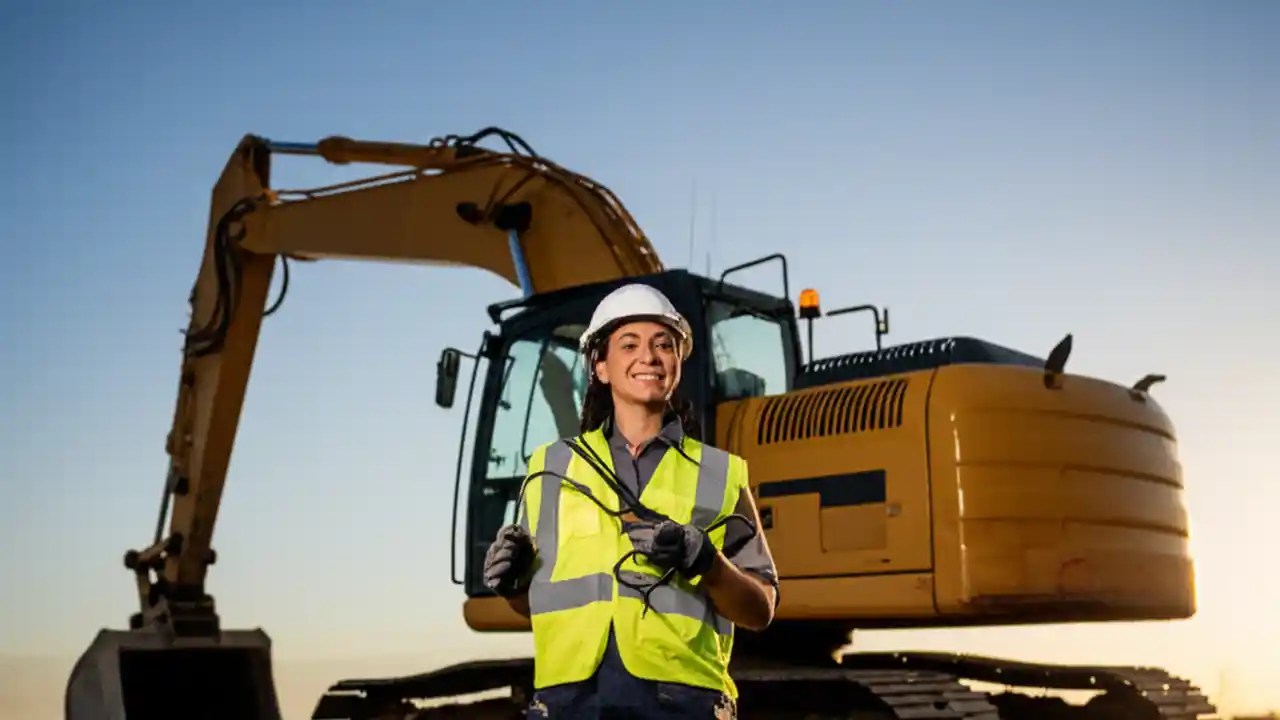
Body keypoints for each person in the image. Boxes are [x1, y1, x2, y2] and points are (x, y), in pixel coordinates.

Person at [482, 283, 779, 719]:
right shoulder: (551, 468)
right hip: (569, 700)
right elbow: (536, 604)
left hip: (681, 700)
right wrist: (511, 583)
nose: (649, 356)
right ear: (600, 365)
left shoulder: (720, 473)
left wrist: (707, 564)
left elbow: (761, 608)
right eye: (629, 344)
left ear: (677, 363)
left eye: (664, 344)